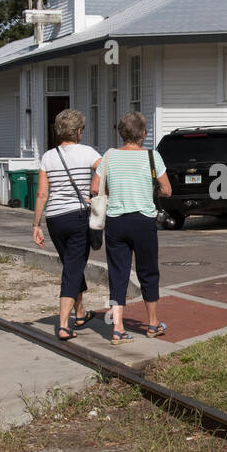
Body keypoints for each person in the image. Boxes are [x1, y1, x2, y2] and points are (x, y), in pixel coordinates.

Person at [91, 112, 171, 344]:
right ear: (143, 134)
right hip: (143, 221)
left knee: (118, 274)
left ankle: (117, 327)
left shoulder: (109, 155)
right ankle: (153, 323)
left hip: (116, 221)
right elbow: (167, 190)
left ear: (122, 133)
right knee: (148, 272)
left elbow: (95, 188)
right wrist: (150, 187)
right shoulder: (151, 156)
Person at [32, 109, 101, 340]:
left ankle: (80, 313)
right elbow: (106, 170)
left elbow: (42, 194)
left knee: (72, 264)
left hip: (54, 219)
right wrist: (96, 189)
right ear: (79, 131)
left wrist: (36, 224)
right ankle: (63, 325)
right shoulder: (88, 153)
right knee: (73, 268)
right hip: (78, 217)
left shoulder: (48, 156)